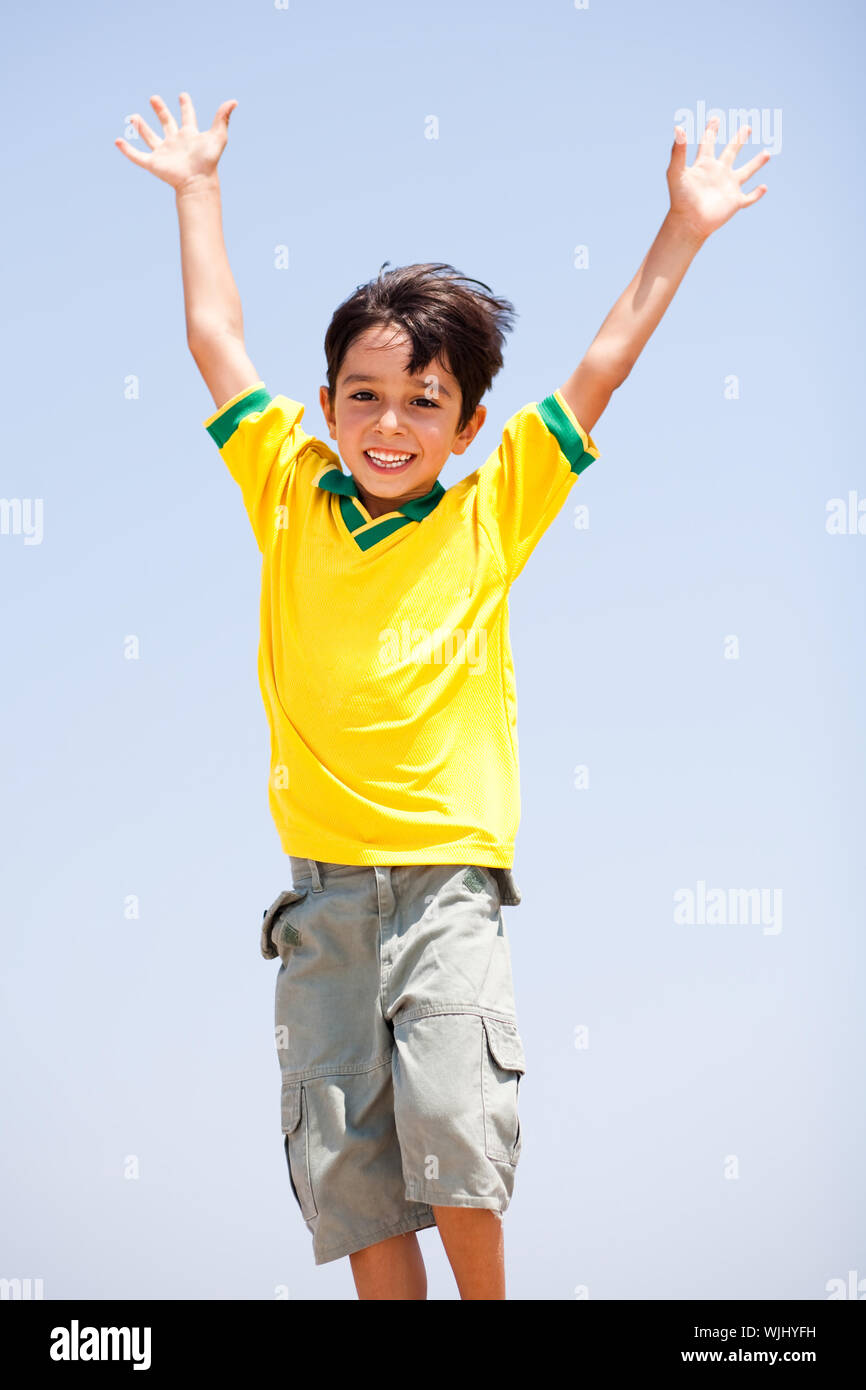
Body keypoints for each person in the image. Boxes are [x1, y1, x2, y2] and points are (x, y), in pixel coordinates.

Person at [116, 92, 770, 1299]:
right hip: (319, 907)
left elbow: (602, 366)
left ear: (468, 426)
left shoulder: (491, 508)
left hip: (446, 891)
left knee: (458, 1139)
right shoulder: (285, 492)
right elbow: (215, 337)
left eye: (425, 402)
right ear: (324, 410)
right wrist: (196, 188)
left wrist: (681, 226)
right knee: (349, 1168)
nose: (389, 421)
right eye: (363, 395)